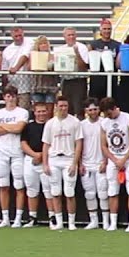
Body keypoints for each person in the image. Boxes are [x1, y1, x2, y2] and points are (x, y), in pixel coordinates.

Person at [0, 86, 29, 228]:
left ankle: (18, 218)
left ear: (16, 97)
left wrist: (3, 126)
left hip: (17, 152)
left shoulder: (22, 112)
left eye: (13, 96)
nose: (10, 99)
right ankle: (5, 218)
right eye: (8, 96)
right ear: (4, 97)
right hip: (1, 152)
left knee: (19, 185)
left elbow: (19, 129)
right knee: (3, 185)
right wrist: (10, 127)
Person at [41, 97, 84, 231]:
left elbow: (79, 144)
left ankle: (71, 222)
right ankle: (59, 221)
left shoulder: (75, 122)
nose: (63, 108)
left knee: (69, 192)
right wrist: (45, 163)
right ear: (55, 106)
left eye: (65, 106)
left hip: (68, 159)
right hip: (54, 159)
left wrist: (74, 163)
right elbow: (46, 145)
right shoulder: (50, 123)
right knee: (55, 192)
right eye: (60, 106)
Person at [99, 98, 129, 233]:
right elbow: (104, 146)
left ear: (115, 108)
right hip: (113, 159)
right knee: (112, 191)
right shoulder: (104, 123)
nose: (108, 116)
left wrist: (124, 159)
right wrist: (114, 160)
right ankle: (113, 222)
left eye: (109, 113)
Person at [78, 99, 109, 230]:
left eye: (95, 109)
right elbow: (78, 145)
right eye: (90, 110)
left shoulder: (104, 123)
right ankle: (94, 221)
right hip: (86, 164)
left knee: (103, 192)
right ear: (86, 111)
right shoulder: (81, 125)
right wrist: (80, 163)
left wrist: (106, 161)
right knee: (89, 193)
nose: (93, 112)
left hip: (101, 163)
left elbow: (108, 144)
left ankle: (106, 221)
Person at [20, 102, 51, 229]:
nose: (41, 114)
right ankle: (32, 217)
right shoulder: (28, 127)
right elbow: (23, 144)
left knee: (48, 190)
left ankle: (52, 217)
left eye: (43, 111)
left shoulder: (51, 126)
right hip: (30, 160)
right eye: (39, 111)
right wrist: (34, 155)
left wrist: (42, 156)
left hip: (47, 160)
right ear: (34, 112)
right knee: (32, 189)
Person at [59, 27, 92, 115]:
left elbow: (83, 67)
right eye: (69, 35)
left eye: (73, 35)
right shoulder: (61, 49)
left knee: (79, 108)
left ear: (76, 36)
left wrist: (76, 53)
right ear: (64, 37)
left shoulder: (82, 47)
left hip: (79, 81)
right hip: (66, 81)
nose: (71, 37)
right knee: (67, 108)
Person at [88, 18, 121, 99]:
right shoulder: (93, 44)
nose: (107, 31)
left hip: (112, 80)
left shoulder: (117, 45)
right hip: (97, 80)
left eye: (109, 29)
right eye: (105, 29)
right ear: (100, 30)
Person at [0, 27, 34, 98]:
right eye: (16, 36)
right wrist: (4, 87)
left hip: (26, 85)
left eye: (20, 35)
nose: (18, 38)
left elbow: (25, 56)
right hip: (12, 84)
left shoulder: (30, 42)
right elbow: (4, 70)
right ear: (12, 36)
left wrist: (16, 68)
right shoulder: (7, 50)